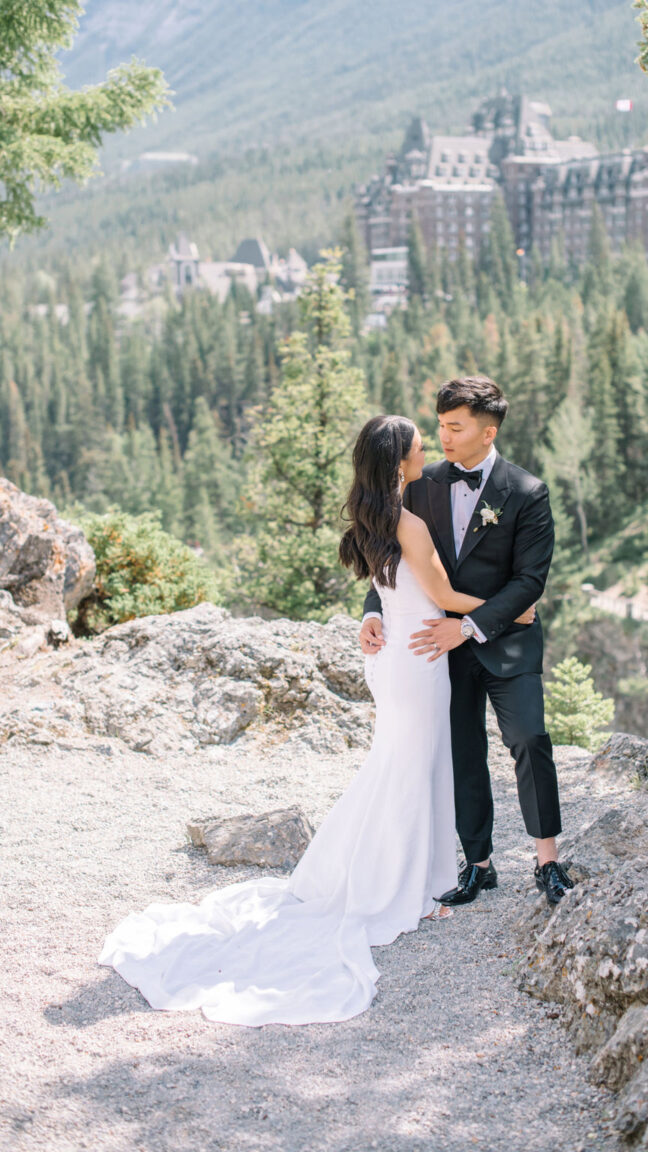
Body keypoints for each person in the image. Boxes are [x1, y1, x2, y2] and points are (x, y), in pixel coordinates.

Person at [98, 414, 534, 1027]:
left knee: (402, 765)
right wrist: (514, 610)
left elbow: (388, 591)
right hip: (417, 659)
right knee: (411, 771)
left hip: (396, 658)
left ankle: (419, 875)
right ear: (399, 462)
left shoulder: (371, 519)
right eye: (416, 445)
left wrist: (376, 615)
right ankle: (403, 888)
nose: (425, 450)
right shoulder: (407, 522)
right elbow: (443, 595)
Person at [361, 377, 573, 907]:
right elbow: (392, 557)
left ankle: (548, 861)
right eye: (440, 427)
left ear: (488, 431)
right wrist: (372, 610)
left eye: (455, 428)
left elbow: (530, 582)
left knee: (529, 738)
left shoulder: (527, 492)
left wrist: (471, 625)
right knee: (461, 752)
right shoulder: (420, 483)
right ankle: (478, 864)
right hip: (437, 648)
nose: (444, 438)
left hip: (508, 641)